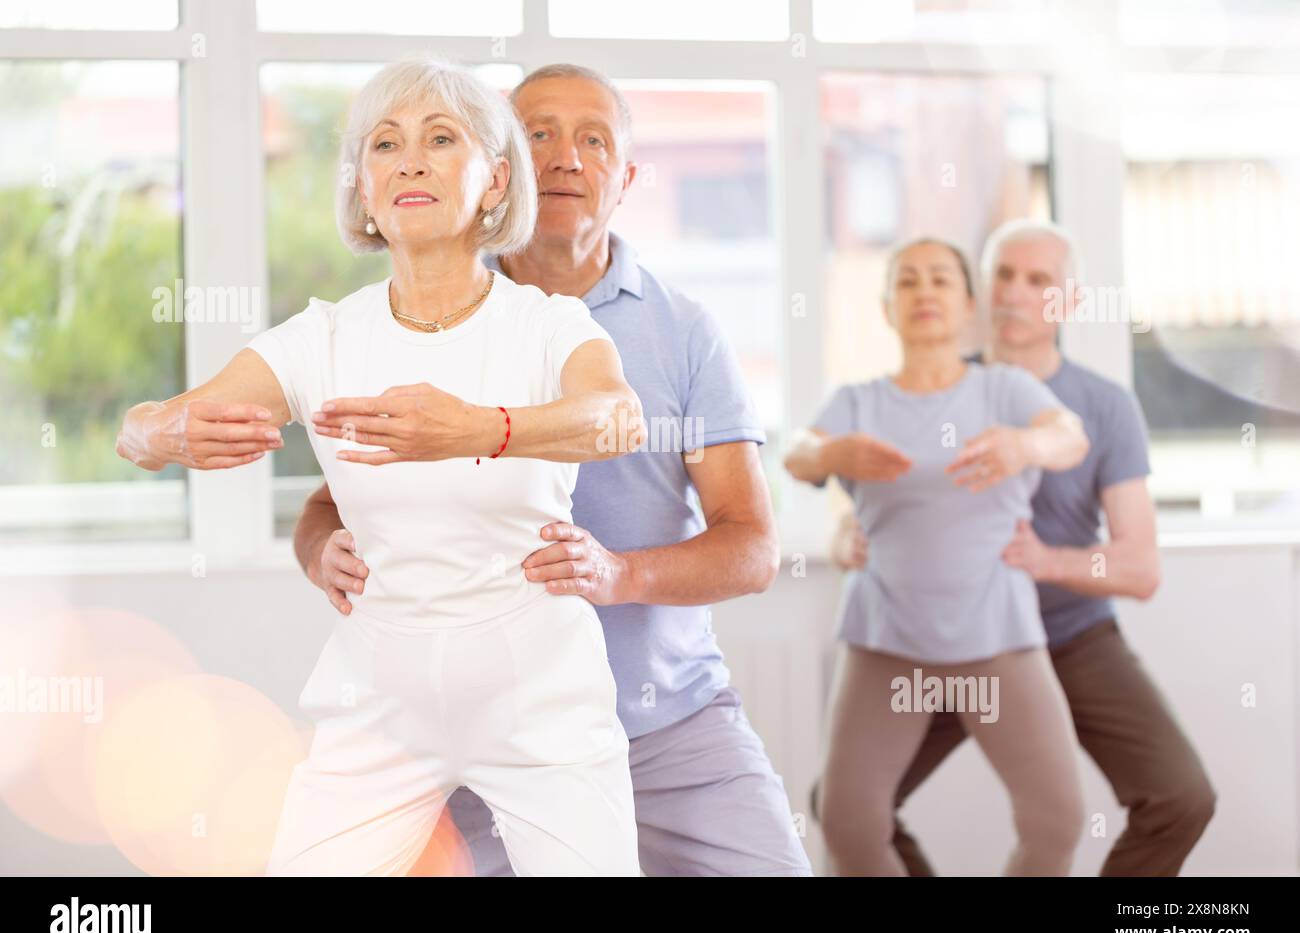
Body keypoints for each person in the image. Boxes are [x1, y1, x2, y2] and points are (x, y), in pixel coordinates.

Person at [115, 56, 647, 876]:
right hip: (380, 696)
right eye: (384, 145)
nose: (409, 161)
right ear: (363, 188)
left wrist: (478, 426)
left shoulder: (550, 325)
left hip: (540, 689)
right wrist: (156, 433)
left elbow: (618, 418)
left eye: (441, 139)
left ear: (497, 178)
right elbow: (156, 423)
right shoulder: (320, 337)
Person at [293, 63, 812, 876]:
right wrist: (320, 549)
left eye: (593, 140)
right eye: (539, 134)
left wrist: (618, 572)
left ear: (626, 177)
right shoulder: (422, 314)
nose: (565, 158)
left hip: (669, 723)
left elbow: (750, 547)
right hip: (493, 727)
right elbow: (331, 501)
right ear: (502, 166)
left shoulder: (684, 331)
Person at [824, 219, 1216, 876]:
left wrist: (1048, 562)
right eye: (1003, 274)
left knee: (1182, 796)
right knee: (849, 809)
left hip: (1068, 636)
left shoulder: (1105, 406)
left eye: (1038, 280)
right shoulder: (938, 383)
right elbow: (857, 483)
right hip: (951, 636)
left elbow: (1139, 567)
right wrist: (843, 531)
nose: (1014, 292)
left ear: (1069, 301)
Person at [786, 236, 1092, 876]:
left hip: (997, 637)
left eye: (941, 281)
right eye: (907, 281)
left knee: (1057, 820)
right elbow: (797, 453)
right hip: (886, 640)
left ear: (969, 306)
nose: (924, 292)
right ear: (887, 308)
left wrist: (1023, 446)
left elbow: (1069, 437)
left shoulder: (1004, 390)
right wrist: (835, 456)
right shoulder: (859, 401)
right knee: (848, 821)